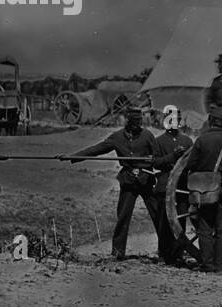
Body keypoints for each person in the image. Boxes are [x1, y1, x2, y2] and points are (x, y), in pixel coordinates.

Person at [67, 109, 182, 261]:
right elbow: (96, 149)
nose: (138, 126)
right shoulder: (116, 137)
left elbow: (158, 158)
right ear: (128, 122)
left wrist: (168, 158)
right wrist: (72, 157)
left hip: (146, 180)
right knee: (123, 217)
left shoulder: (147, 135)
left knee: (158, 216)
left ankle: (166, 252)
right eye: (135, 123)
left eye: (139, 123)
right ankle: (118, 253)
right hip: (128, 181)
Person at [189, 106, 222, 272]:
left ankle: (207, 264)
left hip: (205, 187)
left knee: (204, 227)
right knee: (221, 228)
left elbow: (191, 164)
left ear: (210, 121)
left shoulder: (201, 140)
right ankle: (220, 265)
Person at [153, 119, 194, 264]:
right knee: (164, 222)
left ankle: (178, 253)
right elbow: (156, 163)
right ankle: (163, 254)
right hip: (165, 185)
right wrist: (173, 156)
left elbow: (193, 162)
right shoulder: (158, 141)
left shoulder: (187, 141)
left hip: (182, 186)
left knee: (180, 220)